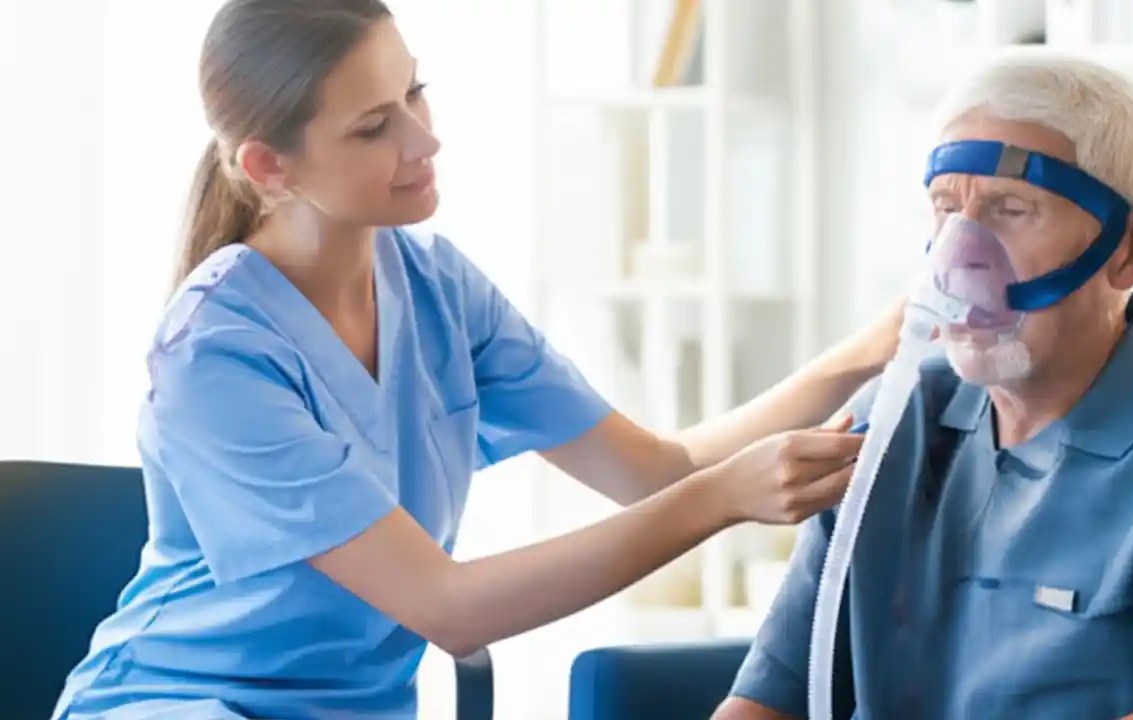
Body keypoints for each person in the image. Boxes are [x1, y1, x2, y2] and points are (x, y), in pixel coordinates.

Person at [51, 1, 907, 718]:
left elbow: (653, 469)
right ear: (270, 166)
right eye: (374, 127)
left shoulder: (436, 287)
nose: (424, 141)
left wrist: (866, 355)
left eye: (415, 92)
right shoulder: (217, 353)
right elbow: (448, 608)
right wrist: (723, 500)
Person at [716, 56, 1133, 720]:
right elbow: (766, 703)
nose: (959, 258)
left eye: (1012, 209)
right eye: (946, 210)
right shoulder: (896, 423)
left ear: (1129, 251)